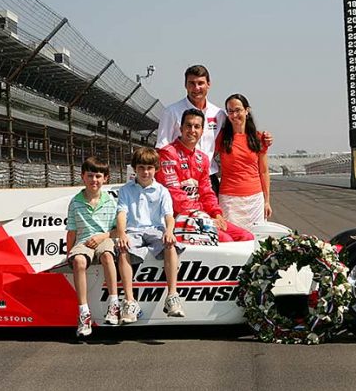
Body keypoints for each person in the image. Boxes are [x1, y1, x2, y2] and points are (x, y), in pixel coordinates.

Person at [156, 64, 273, 194]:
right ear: (185, 85)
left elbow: (240, 133)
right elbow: (162, 149)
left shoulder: (219, 114)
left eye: (201, 83)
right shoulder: (171, 112)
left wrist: (263, 137)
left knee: (213, 214)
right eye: (192, 83)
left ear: (208, 84)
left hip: (208, 178)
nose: (196, 88)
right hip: (180, 179)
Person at [156, 108, 254, 243]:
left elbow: (207, 192)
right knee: (226, 240)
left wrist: (216, 214)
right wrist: (205, 216)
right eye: (188, 126)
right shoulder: (167, 154)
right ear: (180, 128)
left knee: (246, 237)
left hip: (201, 216)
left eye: (197, 127)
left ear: (202, 131)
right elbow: (175, 196)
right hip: (177, 218)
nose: (192, 130)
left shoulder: (202, 158)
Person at [115, 147, 181, 321]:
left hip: (155, 230)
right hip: (133, 231)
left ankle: (172, 296)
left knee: (170, 244)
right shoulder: (125, 190)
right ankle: (130, 302)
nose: (145, 172)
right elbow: (121, 213)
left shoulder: (162, 191)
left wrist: (169, 231)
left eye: (149, 168)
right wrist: (121, 234)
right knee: (122, 248)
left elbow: (169, 215)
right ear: (135, 168)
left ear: (156, 169)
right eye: (141, 167)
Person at [65, 157, 119, 337]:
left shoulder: (111, 201)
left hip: (104, 239)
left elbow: (117, 230)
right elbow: (71, 231)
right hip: (83, 242)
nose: (94, 180)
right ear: (83, 176)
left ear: (105, 178)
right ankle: (83, 313)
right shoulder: (75, 202)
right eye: (90, 175)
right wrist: (68, 253)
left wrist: (103, 236)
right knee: (79, 261)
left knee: (107, 256)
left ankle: (113, 304)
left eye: (98, 176)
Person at [216, 94, 271, 231]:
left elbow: (263, 172)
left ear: (247, 111)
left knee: (256, 239)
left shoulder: (258, 138)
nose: (234, 115)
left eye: (238, 110)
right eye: (230, 111)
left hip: (255, 200)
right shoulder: (222, 138)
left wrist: (267, 201)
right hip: (229, 200)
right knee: (231, 239)